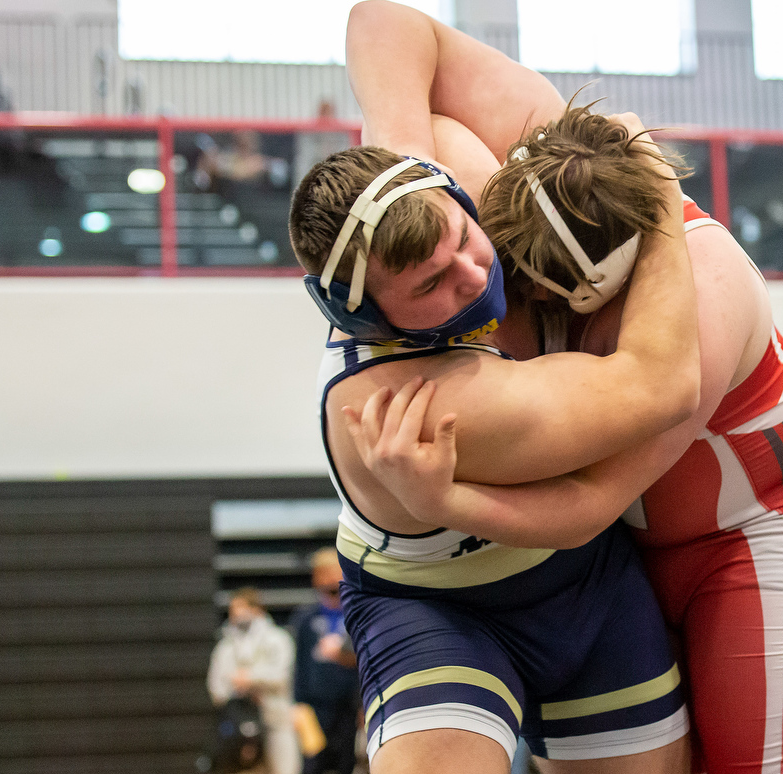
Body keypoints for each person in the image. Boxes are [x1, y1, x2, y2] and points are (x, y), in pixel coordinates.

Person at [336, 4, 783, 773]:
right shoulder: (546, 145)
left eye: (539, 296)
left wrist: (440, 502)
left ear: (598, 287)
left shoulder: (704, 294)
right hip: (622, 549)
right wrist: (406, 167)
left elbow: (585, 504)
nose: (498, 294)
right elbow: (386, 21)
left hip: (751, 537)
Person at [288, 3, 706, 772]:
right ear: (367, 313)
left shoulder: (445, 175)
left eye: (461, 238)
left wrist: (405, 155)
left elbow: (383, 19)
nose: (476, 273)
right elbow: (664, 385)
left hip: (585, 583)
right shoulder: (411, 404)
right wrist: (661, 198)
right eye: (432, 285)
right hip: (436, 608)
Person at [208, 588, 302, 774]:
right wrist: (239, 693)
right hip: (241, 723)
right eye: (234, 610)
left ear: (257, 609)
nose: (237, 615)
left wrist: (250, 679)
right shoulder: (225, 645)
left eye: (242, 608)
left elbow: (281, 677)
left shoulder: (278, 639)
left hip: (276, 718)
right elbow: (216, 687)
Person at [289, 548, 360, 774]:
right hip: (315, 708)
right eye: (324, 573)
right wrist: (297, 704)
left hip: (348, 706)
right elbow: (299, 666)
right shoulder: (306, 619)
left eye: (335, 573)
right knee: (313, 764)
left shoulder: (355, 616)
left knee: (346, 763)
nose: (330, 579)